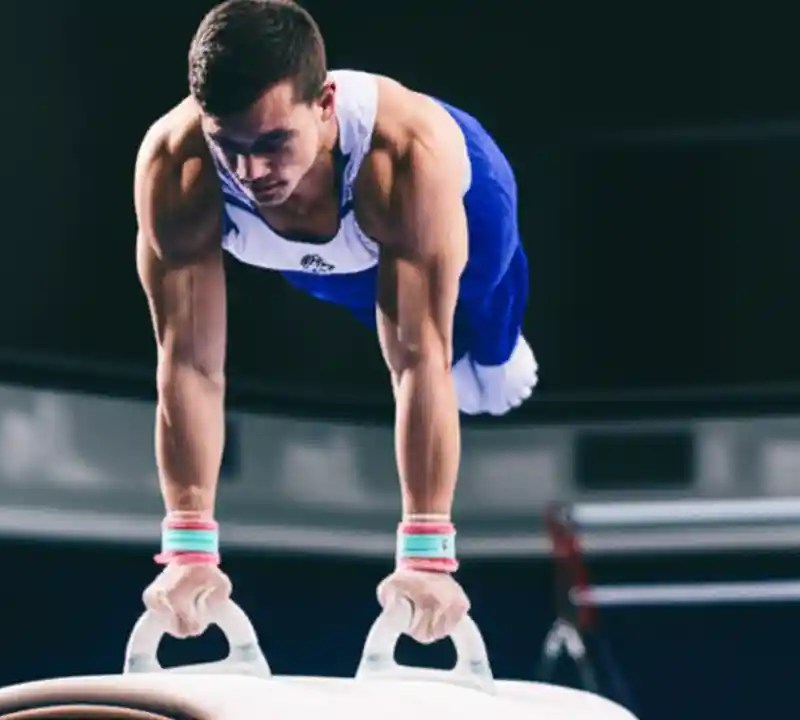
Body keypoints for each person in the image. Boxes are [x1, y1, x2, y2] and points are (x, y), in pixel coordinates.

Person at [132, 0, 537, 647]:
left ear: (324, 104)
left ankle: (494, 348)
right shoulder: (177, 169)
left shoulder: (404, 157)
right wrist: (188, 549)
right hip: (330, 256)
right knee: (364, 299)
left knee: (476, 336)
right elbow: (190, 365)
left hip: (461, 204)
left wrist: (426, 558)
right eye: (229, 147)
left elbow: (417, 360)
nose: (251, 173)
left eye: (271, 144)